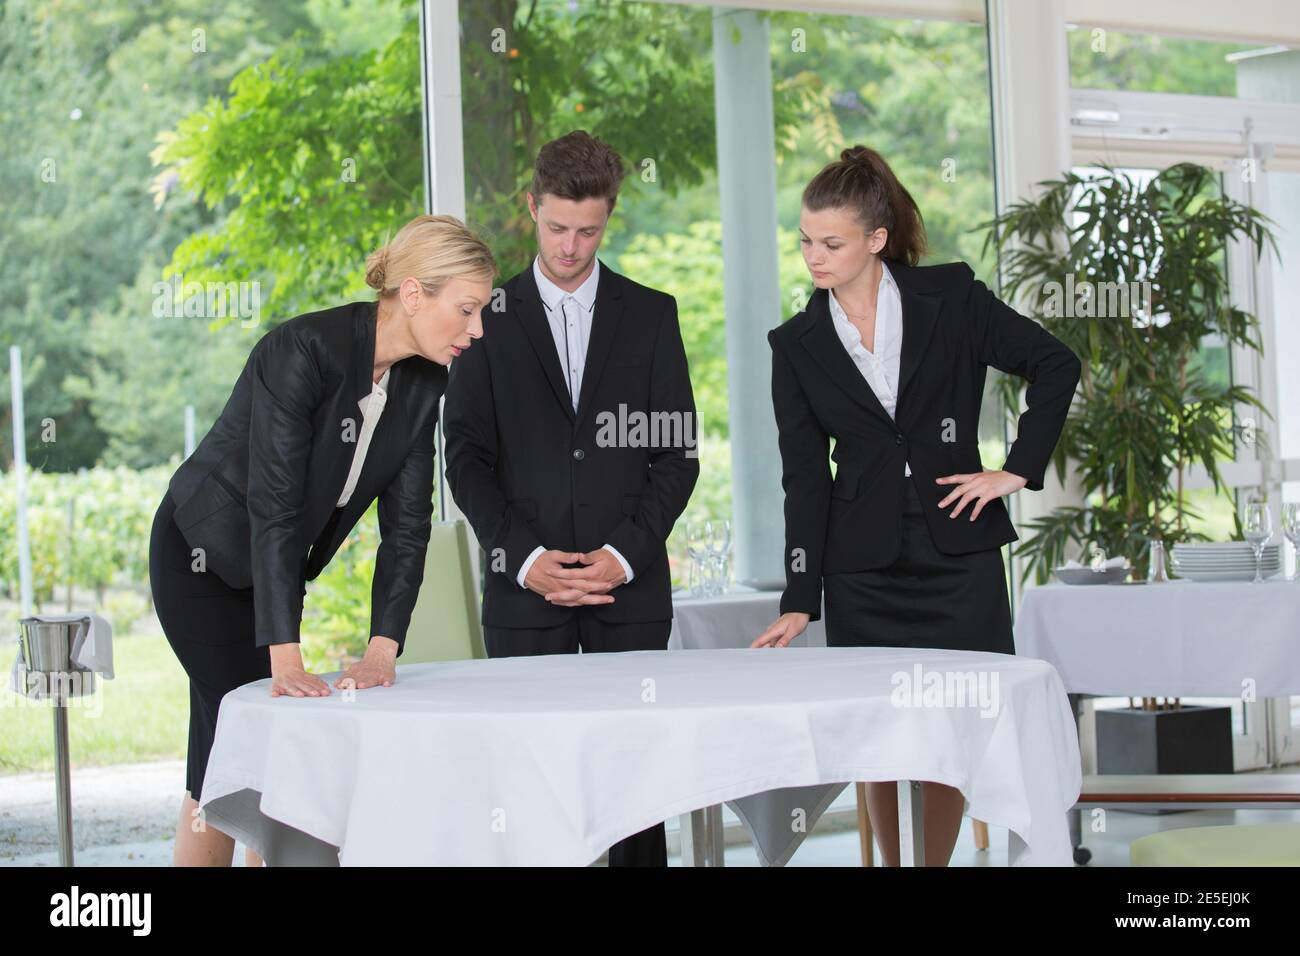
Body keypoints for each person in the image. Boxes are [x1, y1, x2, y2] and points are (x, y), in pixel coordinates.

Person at [752, 145, 1082, 866]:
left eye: (831, 243)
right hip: (862, 569)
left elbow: (1056, 363)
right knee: (881, 735)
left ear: (876, 240)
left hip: (958, 555)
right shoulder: (796, 345)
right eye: (805, 240)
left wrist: (1017, 472)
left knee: (955, 729)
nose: (814, 256)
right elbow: (804, 477)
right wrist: (800, 595)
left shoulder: (952, 300)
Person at [149, 214, 496, 866]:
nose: (477, 330)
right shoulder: (303, 350)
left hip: (267, 574)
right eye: (467, 309)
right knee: (269, 745)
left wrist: (382, 651)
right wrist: (287, 659)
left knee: (225, 755)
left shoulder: (425, 382)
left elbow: (408, 526)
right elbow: (274, 510)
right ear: (415, 293)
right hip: (199, 559)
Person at [443, 130, 699, 867]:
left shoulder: (653, 314)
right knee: (529, 791)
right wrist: (522, 559)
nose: (569, 246)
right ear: (532, 208)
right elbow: (464, 456)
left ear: (609, 216)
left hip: (631, 593)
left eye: (587, 230)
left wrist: (624, 555)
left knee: (636, 798)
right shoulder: (481, 316)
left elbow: (676, 454)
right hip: (525, 598)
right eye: (556, 227)